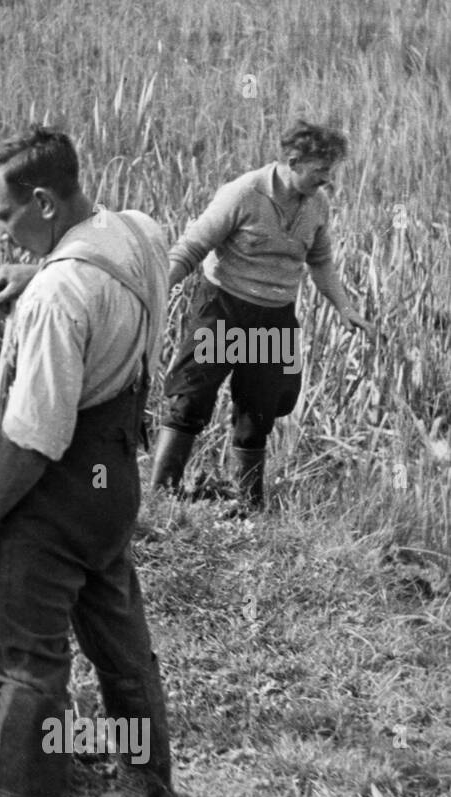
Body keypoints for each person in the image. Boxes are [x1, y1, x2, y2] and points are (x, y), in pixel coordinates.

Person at [0, 127, 173, 797]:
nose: (3, 233)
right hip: (112, 489)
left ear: (42, 200)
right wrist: (40, 273)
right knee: (120, 644)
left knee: (28, 664)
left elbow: (32, 441)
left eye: (5, 217)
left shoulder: (56, 299)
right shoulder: (138, 234)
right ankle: (151, 791)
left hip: (56, 495)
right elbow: (95, 270)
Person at [151, 120, 373, 507]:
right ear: (293, 161)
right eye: (320, 168)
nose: (327, 177)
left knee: (260, 409)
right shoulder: (243, 193)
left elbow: (320, 262)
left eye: (330, 169)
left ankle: (249, 504)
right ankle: (163, 494)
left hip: (274, 316)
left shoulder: (317, 205)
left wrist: (344, 307)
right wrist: (152, 290)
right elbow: (190, 249)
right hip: (224, 308)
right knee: (192, 398)